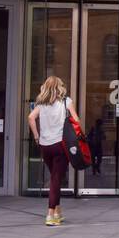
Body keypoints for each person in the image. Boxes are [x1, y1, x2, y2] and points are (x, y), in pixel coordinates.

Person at [27, 75, 80, 227]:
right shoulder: (66, 101)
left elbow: (31, 118)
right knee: (56, 179)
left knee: (55, 178)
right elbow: (77, 120)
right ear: (59, 87)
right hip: (60, 145)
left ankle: (58, 211)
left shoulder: (41, 103)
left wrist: (36, 136)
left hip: (45, 146)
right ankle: (50, 214)